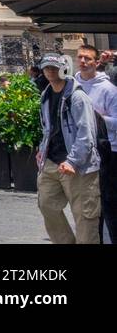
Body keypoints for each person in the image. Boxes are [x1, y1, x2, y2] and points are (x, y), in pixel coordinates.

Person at [37, 52, 101, 244]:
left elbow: (86, 134)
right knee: (46, 204)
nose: (50, 71)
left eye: (54, 67)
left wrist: (72, 160)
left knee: (84, 216)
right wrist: (42, 149)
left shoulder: (77, 96)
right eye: (46, 67)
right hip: (52, 161)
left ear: (64, 69)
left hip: (79, 165)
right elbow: (48, 128)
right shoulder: (46, 95)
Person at [74, 44, 117, 243]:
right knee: (88, 203)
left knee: (109, 201)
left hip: (109, 151)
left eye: (88, 58)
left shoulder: (109, 89)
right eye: (80, 57)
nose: (83, 62)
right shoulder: (72, 87)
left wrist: (97, 118)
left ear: (96, 62)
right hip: (83, 152)